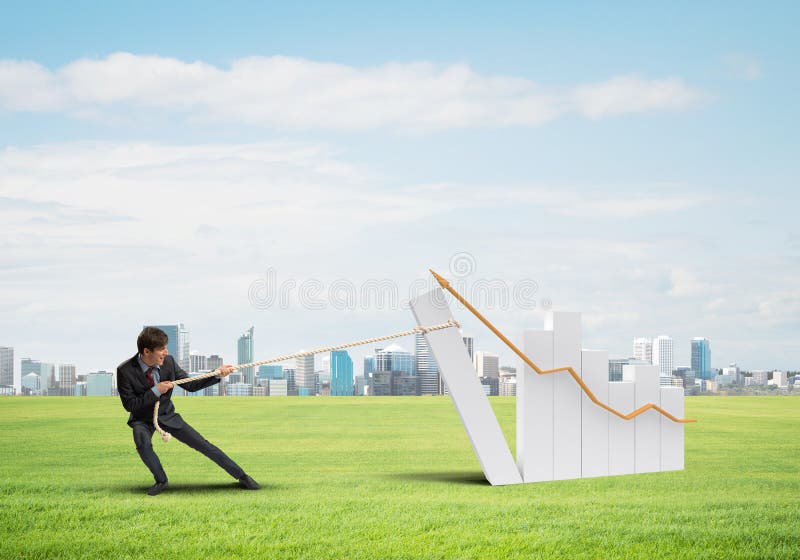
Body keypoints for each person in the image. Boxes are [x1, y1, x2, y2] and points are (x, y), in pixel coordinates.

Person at [117, 326, 260, 496]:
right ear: (147, 351)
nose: (165, 352)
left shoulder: (168, 362)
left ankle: (242, 476)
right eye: (161, 349)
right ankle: (161, 480)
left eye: (166, 347)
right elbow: (130, 405)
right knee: (142, 443)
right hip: (142, 419)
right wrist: (155, 391)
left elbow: (190, 384)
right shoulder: (124, 371)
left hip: (167, 415)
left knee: (203, 444)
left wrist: (216, 374)